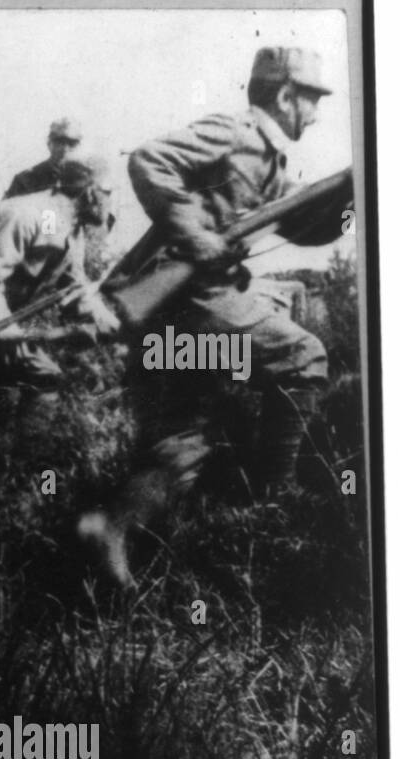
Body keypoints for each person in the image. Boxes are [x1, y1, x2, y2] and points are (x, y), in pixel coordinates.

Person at [77, 47, 338, 589]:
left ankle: (108, 529)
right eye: (310, 101)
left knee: (182, 446)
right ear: (285, 95)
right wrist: (193, 234)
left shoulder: (271, 159)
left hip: (174, 331)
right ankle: (274, 504)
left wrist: (344, 203)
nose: (314, 115)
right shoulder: (237, 132)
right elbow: (149, 159)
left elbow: (296, 224)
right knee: (303, 356)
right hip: (191, 307)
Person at [0, 152, 122, 385]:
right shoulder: (27, 214)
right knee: (42, 380)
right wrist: (4, 329)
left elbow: (73, 286)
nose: (109, 202)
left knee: (36, 380)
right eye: (107, 193)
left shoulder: (64, 225)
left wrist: (111, 324)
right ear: (90, 192)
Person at [3, 118, 83, 199]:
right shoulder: (25, 179)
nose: (64, 149)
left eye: (71, 143)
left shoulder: (87, 179)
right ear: (49, 144)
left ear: (79, 146)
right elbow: (6, 209)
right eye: (59, 142)